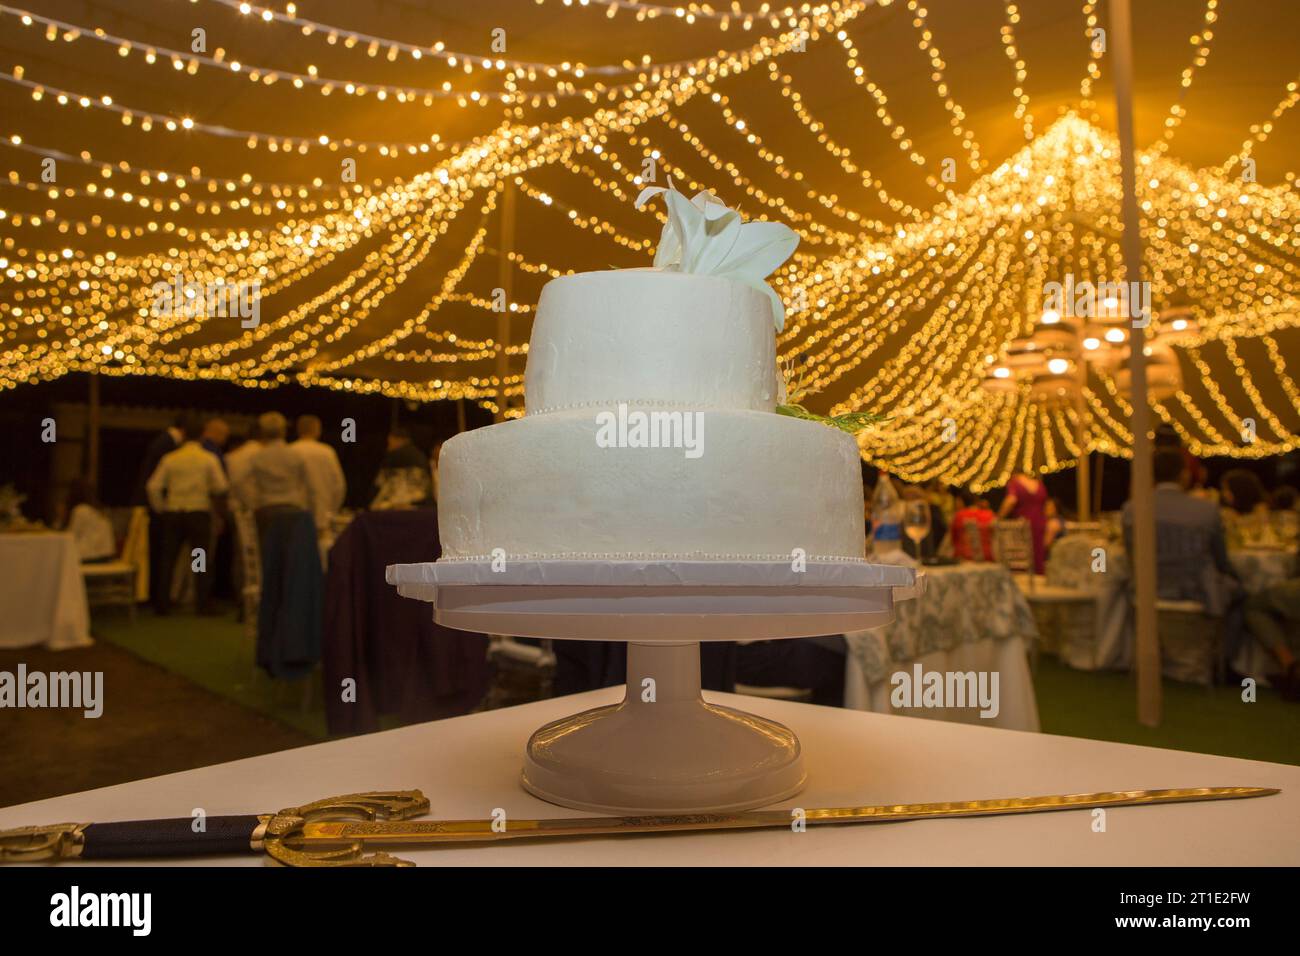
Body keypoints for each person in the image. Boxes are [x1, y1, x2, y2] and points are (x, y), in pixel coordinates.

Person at [1123, 447, 1238, 614]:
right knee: (1242, 595)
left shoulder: (1131, 510)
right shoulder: (1207, 509)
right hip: (1199, 595)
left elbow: (1132, 556)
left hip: (1147, 593)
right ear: (1184, 474)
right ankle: (1224, 640)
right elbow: (1221, 561)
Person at [146, 415, 228, 614]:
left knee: (169, 559)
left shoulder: (171, 458)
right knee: (198, 558)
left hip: (174, 512)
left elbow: (153, 486)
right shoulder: (208, 459)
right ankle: (202, 602)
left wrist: (161, 507)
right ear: (202, 436)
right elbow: (221, 486)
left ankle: (162, 603)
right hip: (198, 512)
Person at [135, 413, 185, 611]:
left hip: (161, 508)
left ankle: (158, 597)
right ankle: (157, 597)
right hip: (161, 509)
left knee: (163, 555)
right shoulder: (167, 446)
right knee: (161, 554)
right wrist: (160, 508)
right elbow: (153, 485)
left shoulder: (164, 443)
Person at [247, 412, 314, 533]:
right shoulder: (296, 455)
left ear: (262, 432)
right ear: (284, 431)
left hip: (266, 508)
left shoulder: (257, 457)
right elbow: (307, 483)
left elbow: (250, 486)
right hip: (293, 509)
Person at [290, 414, 346, 537]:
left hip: (294, 514)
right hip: (321, 516)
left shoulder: (290, 451)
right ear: (317, 430)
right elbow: (339, 485)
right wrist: (331, 510)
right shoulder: (327, 452)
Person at [371, 427, 434, 509]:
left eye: (390, 442)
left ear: (399, 440)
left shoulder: (392, 456)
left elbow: (379, 483)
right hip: (420, 504)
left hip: (396, 504)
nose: (388, 446)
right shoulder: (420, 455)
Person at [999, 471, 1049, 574]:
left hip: (1023, 524)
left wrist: (999, 517)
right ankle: (1038, 576)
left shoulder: (1015, 483)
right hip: (1040, 522)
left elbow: (1011, 500)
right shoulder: (1039, 484)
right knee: (1038, 553)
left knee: (1022, 556)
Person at [64, 477, 116, 563]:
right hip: (105, 555)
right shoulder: (97, 510)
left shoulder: (80, 510)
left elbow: (71, 536)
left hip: (89, 556)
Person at [950, 490, 996, 562]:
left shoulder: (959, 515)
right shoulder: (989, 514)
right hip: (988, 558)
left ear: (961, 501)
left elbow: (953, 541)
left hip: (964, 559)